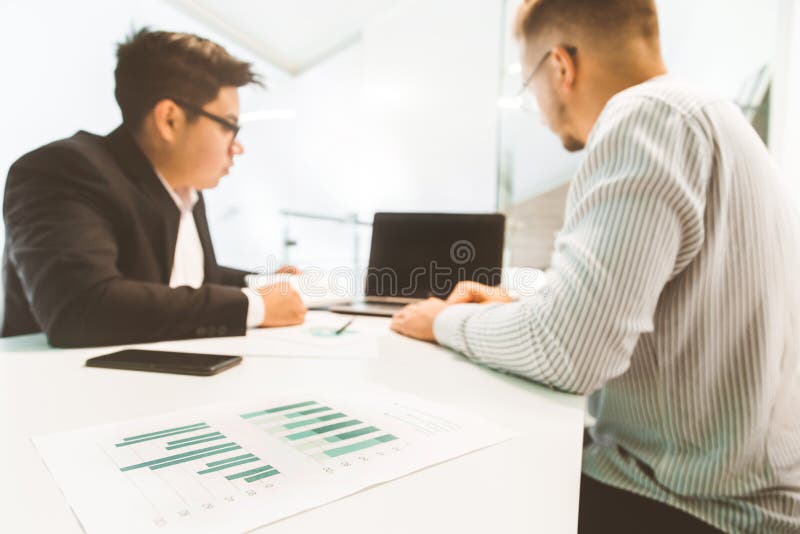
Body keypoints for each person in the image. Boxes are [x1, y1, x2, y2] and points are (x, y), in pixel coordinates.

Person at [391, 1, 800, 532]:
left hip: (692, 506)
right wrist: (527, 303)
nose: (536, 108)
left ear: (562, 67)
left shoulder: (646, 117)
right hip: (739, 490)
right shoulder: (716, 122)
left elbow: (569, 351)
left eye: (529, 82)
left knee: (441, 489)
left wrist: (441, 322)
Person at [2, 29, 306, 348]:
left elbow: (191, 278)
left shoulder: (184, 189)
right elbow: (82, 308)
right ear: (169, 120)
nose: (237, 146)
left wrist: (266, 283)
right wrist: (253, 306)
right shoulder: (61, 170)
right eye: (228, 126)